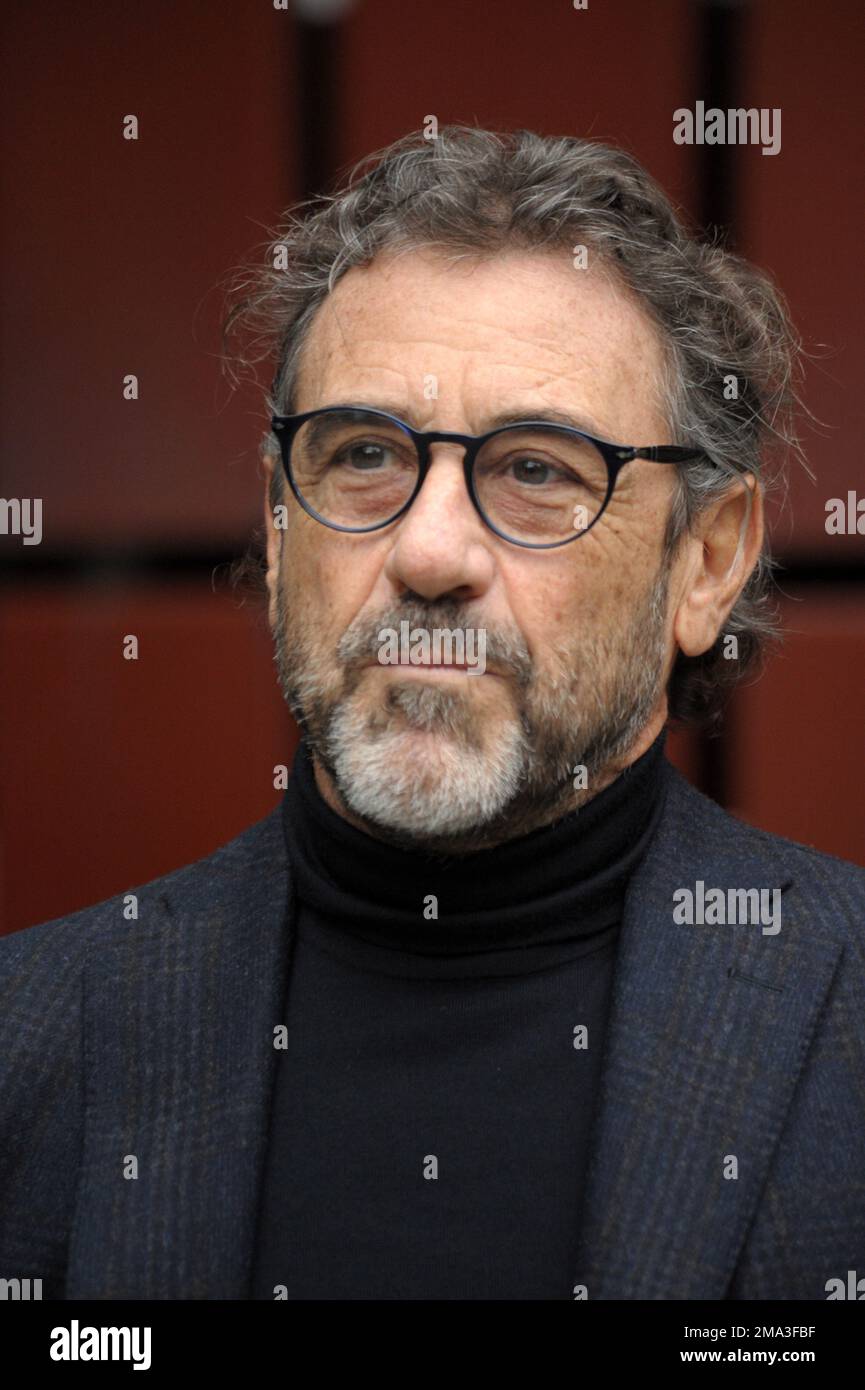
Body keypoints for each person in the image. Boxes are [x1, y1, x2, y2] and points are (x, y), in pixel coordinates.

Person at [1, 126, 863, 1301]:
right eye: (363, 453)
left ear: (706, 560)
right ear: (275, 521)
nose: (427, 549)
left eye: (537, 468)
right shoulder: (32, 1036)